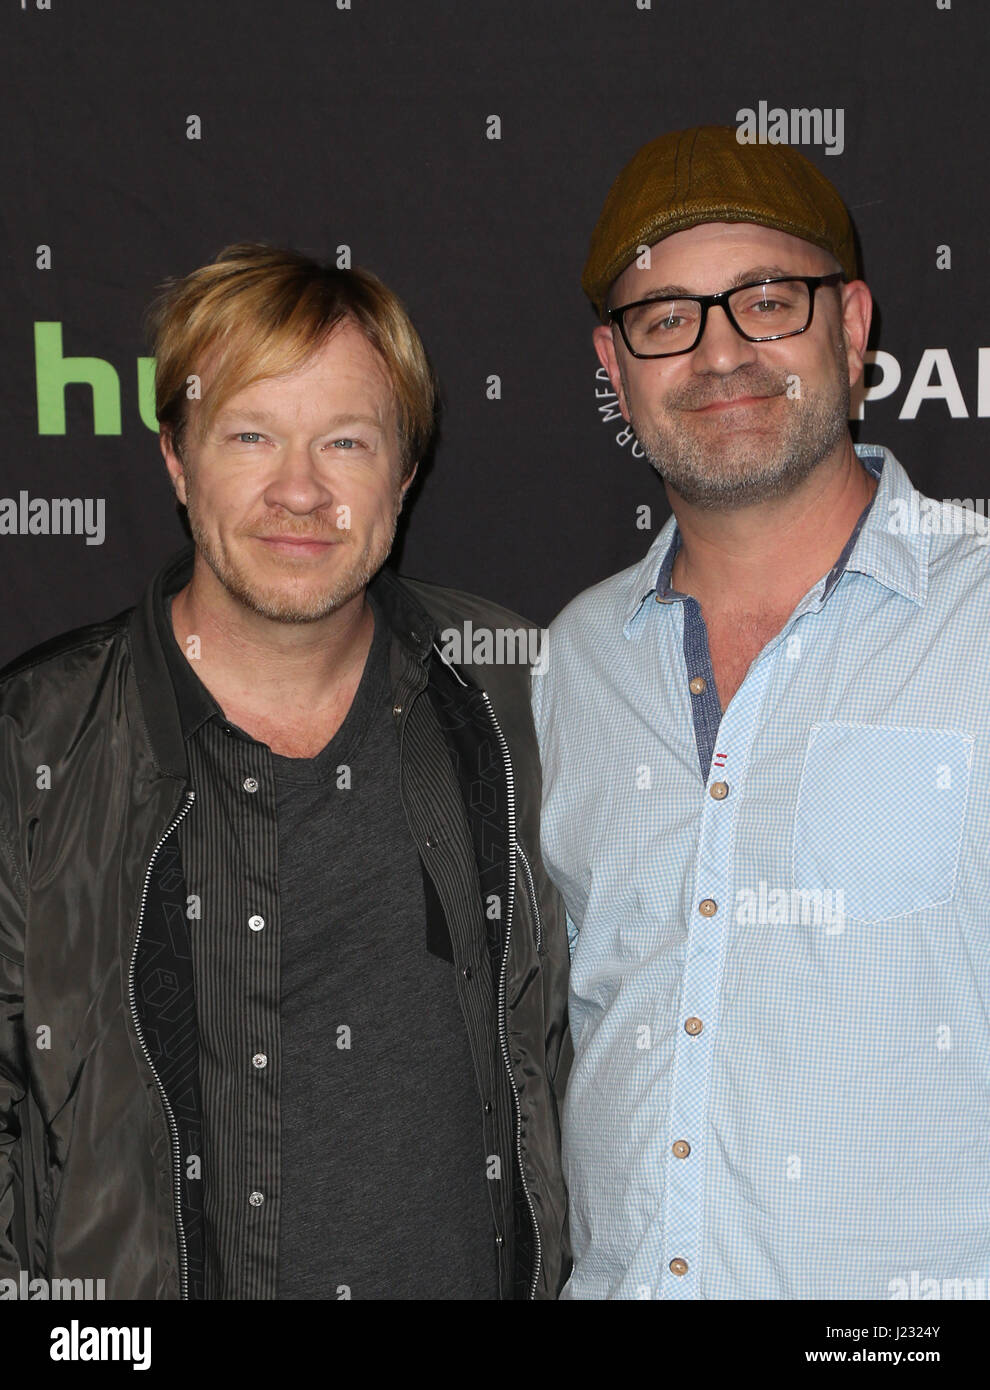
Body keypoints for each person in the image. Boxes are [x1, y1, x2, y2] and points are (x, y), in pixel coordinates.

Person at [0, 242, 570, 1300]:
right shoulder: (33, 741)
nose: (298, 490)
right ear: (178, 459)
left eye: (345, 441)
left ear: (404, 472)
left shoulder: (516, 694)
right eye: (251, 435)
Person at [532, 124, 990, 1299]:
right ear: (615, 361)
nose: (720, 351)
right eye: (666, 317)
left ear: (851, 324)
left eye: (767, 299)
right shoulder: (571, 663)